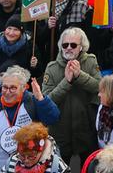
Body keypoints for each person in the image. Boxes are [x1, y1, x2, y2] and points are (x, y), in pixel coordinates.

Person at [39, 27, 100, 167]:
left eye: (73, 45)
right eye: (65, 45)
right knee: (60, 167)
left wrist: (80, 76)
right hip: (60, 129)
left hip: (85, 127)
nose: (68, 48)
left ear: (81, 47)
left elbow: (99, 87)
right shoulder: (52, 67)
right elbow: (47, 100)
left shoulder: (90, 61)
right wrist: (66, 82)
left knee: (88, 166)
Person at [0, 122, 69, 173]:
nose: (26, 160)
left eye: (31, 156)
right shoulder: (11, 164)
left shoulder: (57, 167)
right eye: (22, 156)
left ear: (41, 151)